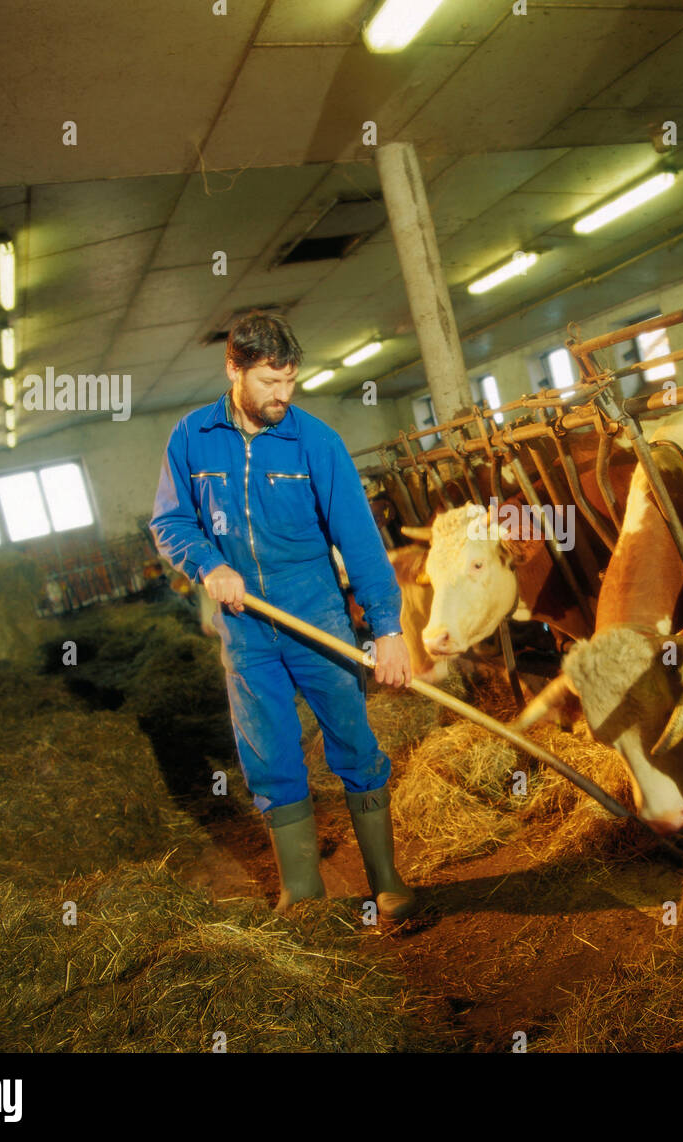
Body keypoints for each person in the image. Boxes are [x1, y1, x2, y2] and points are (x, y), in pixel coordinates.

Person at [150, 312, 415, 920]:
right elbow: (170, 521)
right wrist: (208, 564)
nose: (282, 396)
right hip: (245, 629)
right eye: (270, 382)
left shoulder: (315, 442)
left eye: (291, 382)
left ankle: (387, 879)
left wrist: (389, 628)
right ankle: (302, 891)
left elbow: (361, 540)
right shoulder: (192, 437)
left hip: (318, 619)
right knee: (269, 754)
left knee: (353, 740)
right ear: (234, 368)